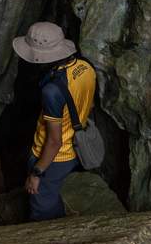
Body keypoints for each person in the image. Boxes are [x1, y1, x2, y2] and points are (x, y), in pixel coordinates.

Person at [11, 22, 96, 221]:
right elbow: (88, 105)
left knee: (41, 204)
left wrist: (37, 173)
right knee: (53, 192)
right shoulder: (85, 67)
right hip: (75, 145)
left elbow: (54, 141)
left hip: (55, 156)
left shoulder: (52, 91)